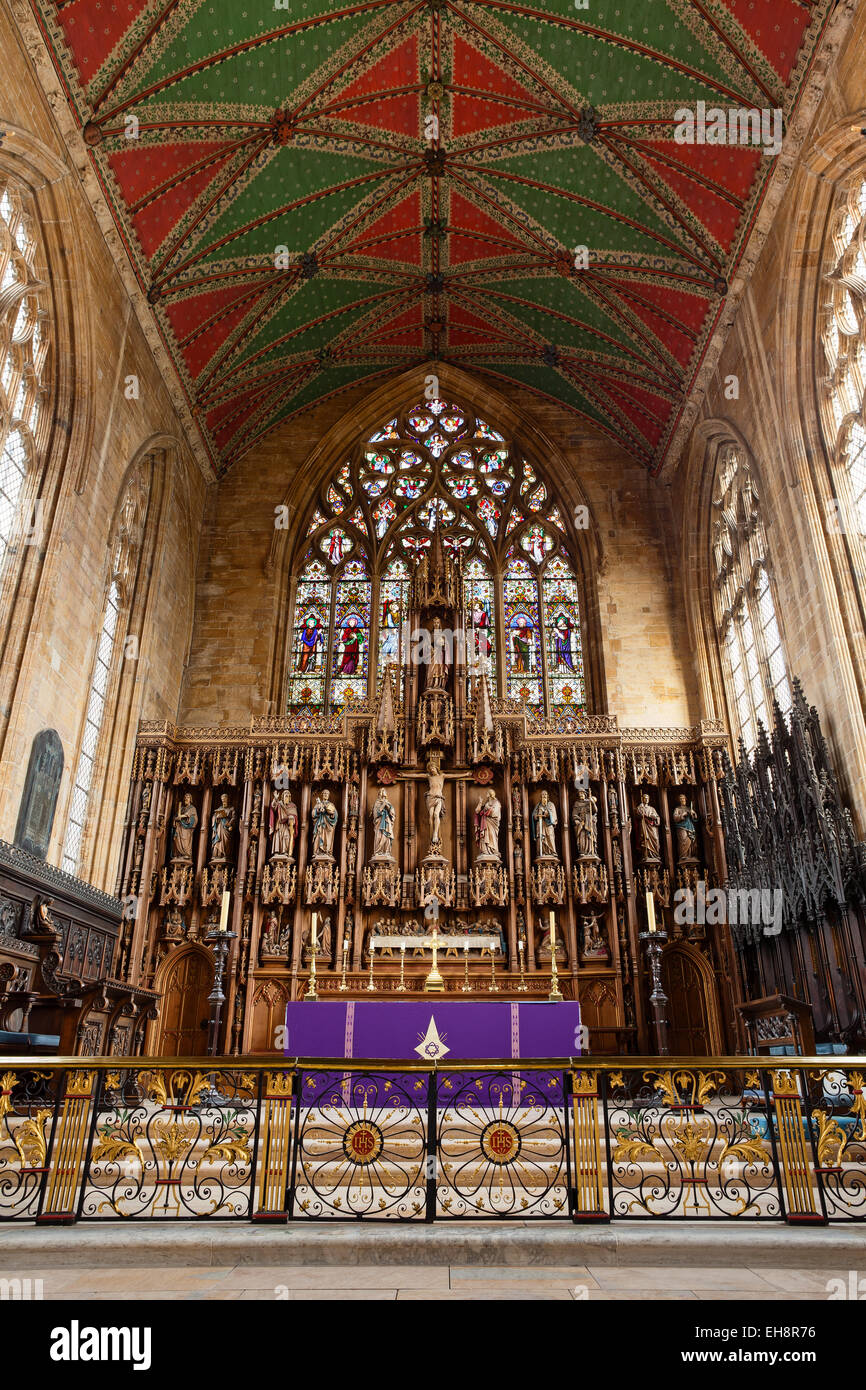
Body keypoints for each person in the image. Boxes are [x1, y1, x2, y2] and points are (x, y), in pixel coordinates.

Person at [532, 790, 558, 858]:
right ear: (540, 797)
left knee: (550, 837)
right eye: (542, 795)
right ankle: (541, 852)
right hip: (540, 825)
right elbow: (534, 815)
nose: (544, 796)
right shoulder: (538, 806)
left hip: (548, 825)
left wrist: (547, 813)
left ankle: (552, 852)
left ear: (548, 796)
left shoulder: (551, 805)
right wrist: (536, 815)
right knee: (540, 838)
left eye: (545, 794)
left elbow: (553, 815)